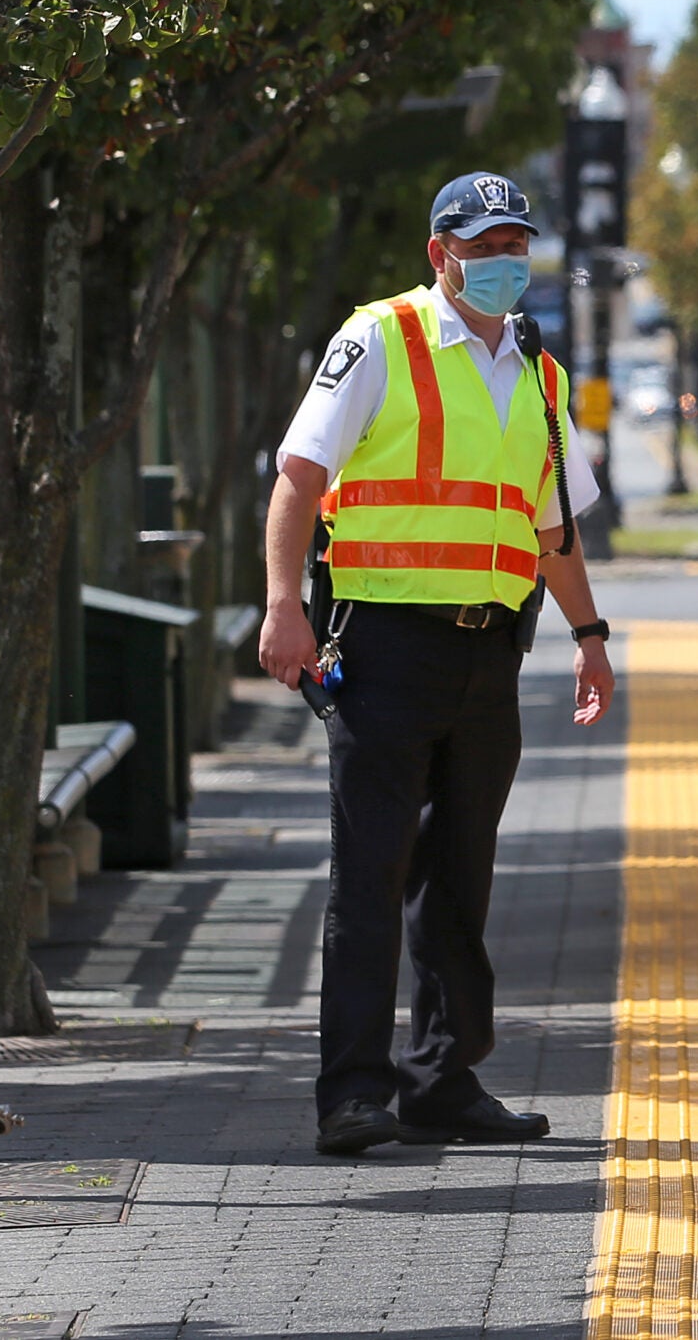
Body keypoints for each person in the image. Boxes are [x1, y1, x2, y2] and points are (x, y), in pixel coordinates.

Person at [259, 172, 615, 1156]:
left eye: (516, 243)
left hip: (490, 655)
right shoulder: (379, 339)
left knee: (460, 877)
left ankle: (443, 1078)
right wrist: (283, 607)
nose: (505, 261)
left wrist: (591, 636)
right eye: (484, 243)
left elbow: (551, 525)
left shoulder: (537, 370)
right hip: (380, 649)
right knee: (370, 875)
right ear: (439, 252)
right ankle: (353, 1092)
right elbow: (300, 479)